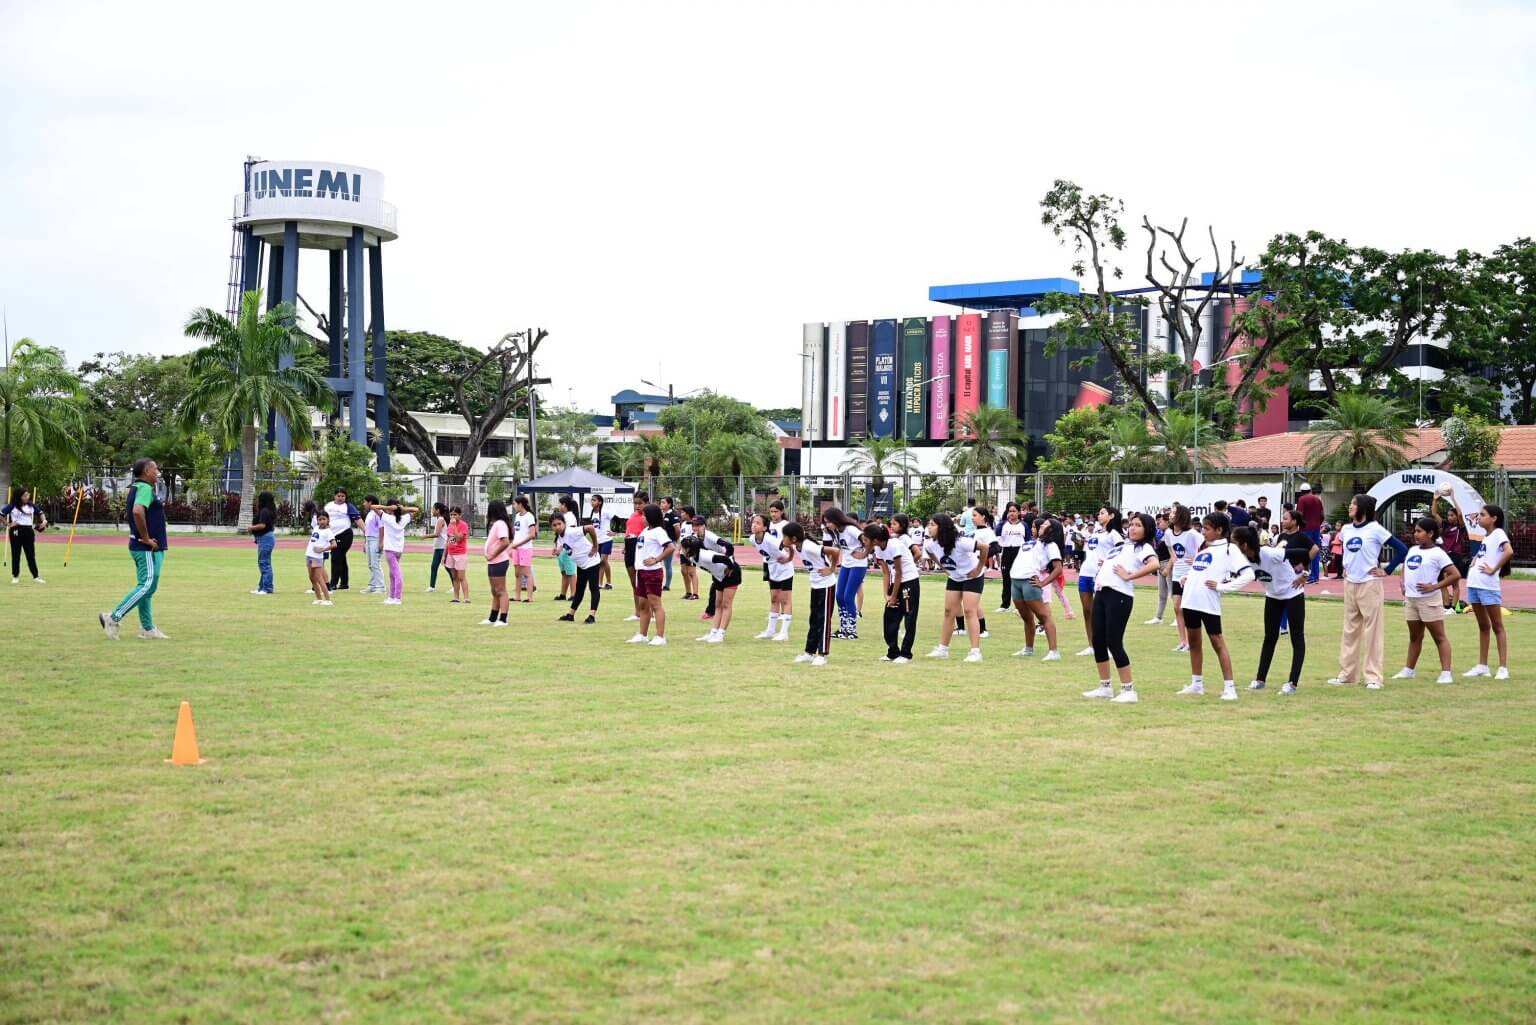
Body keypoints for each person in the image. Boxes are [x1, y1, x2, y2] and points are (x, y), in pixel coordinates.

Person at [1327, 494, 1409, 689]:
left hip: (1370, 584)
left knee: (1372, 631)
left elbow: (1402, 549)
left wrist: (1387, 570)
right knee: (1350, 630)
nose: (1350, 506)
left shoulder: (1375, 529)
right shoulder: (1346, 530)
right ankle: (1348, 675)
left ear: (1363, 507)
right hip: (1350, 584)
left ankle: (1373, 677)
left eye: (1354, 504)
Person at [1082, 511, 1161, 703]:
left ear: (1147, 530)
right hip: (1102, 592)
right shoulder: (1122, 546)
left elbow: (1154, 564)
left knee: (1113, 642)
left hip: (1119, 596)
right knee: (1098, 640)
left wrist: (1129, 576)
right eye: (1132, 524)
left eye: (1138, 525)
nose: (1133, 528)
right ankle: (1105, 686)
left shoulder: (1143, 548)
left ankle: (1128, 690)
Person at [1175, 511, 1254, 701]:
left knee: (1217, 643)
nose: (1203, 531)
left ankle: (1229, 687)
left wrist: (1222, 587)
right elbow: (1201, 570)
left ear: (1219, 530)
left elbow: (1248, 575)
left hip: (1208, 604)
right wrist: (1189, 578)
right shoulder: (1204, 549)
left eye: (1207, 528)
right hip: (1191, 601)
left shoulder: (1229, 549)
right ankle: (1196, 684)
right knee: (1193, 642)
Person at [1234, 524, 1315, 695]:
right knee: (1269, 637)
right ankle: (1260, 680)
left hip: (1293, 595)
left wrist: (1305, 575)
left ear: (1245, 545)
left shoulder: (1270, 554)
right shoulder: (1243, 560)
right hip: (1272, 597)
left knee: (1297, 638)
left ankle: (1292, 683)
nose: (1232, 546)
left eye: (1235, 543)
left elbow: (1303, 552)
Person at [99, 457, 171, 640]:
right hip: (146, 547)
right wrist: (146, 538)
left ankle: (148, 628)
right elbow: (138, 511)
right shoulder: (145, 488)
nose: (158, 472)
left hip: (146, 546)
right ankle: (113, 617)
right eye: (155, 469)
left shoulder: (137, 488)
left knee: (148, 588)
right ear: (147, 471)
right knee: (146, 585)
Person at [1392, 516, 1458, 685]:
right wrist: (1402, 580)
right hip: (1411, 600)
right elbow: (1406, 566)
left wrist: (1434, 587)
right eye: (1415, 531)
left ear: (1431, 533)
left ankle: (1446, 673)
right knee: (1415, 636)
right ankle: (1409, 670)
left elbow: (1455, 574)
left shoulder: (1438, 553)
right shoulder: (1413, 550)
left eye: (1419, 531)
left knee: (1439, 637)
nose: (1416, 534)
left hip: (1429, 600)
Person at [923, 513, 986, 662]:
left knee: (970, 611)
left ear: (942, 527)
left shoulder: (961, 542)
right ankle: (943, 649)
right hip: (955, 577)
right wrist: (943, 567)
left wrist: (978, 569)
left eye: (932, 524)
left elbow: (985, 547)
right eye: (928, 524)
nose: (929, 528)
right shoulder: (930, 544)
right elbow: (930, 553)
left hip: (972, 577)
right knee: (948, 612)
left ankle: (975, 652)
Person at [1463, 504, 1512, 679]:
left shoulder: (1498, 533)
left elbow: (1508, 551)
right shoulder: (1487, 536)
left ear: (1494, 518)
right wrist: (1475, 560)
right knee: (1483, 626)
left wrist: (1493, 569)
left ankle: (1503, 668)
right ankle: (1482, 666)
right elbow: (1484, 554)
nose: (1480, 518)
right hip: (1474, 585)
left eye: (1483, 515)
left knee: (1497, 626)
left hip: (1488, 586)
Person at [783, 520, 839, 666]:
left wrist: (832, 569)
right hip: (816, 586)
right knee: (814, 619)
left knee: (824, 620)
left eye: (785, 537)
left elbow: (835, 551)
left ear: (794, 539)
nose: (783, 540)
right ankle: (809, 652)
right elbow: (786, 547)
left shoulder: (809, 547)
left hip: (826, 585)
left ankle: (822, 654)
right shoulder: (799, 546)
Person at [1075, 505, 1124, 657]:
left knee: (1101, 613)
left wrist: (1109, 563)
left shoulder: (1114, 533)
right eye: (1099, 513)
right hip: (1085, 573)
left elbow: (1122, 550)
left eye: (1103, 513)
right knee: (1087, 612)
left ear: (1112, 516)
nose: (1099, 515)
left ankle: (1107, 646)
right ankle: (1091, 645)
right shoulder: (1096, 531)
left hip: (1100, 576)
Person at [1011, 514, 1062, 661]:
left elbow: (1058, 569)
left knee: (1044, 616)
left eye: (1045, 525)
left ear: (1051, 530)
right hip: (1016, 581)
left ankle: (1054, 651)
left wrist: (1043, 583)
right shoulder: (1031, 542)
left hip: (1029, 581)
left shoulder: (1051, 545)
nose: (1041, 527)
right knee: (1026, 617)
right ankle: (1028, 649)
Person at [867, 520, 919, 663]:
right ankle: (893, 652)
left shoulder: (894, 545)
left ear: (876, 540)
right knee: (889, 617)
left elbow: (899, 573)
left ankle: (906, 653)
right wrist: (887, 595)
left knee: (909, 617)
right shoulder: (878, 549)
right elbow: (886, 573)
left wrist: (894, 596)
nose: (864, 542)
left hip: (908, 581)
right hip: (895, 583)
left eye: (866, 539)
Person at [627, 503, 675, 646]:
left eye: (645, 516)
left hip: (652, 572)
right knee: (643, 604)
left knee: (655, 604)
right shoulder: (646, 531)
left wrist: (656, 559)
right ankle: (642, 634)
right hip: (641, 571)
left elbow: (670, 547)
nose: (642, 518)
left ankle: (660, 636)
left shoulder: (659, 531)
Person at [686, 535, 741, 643]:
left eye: (683, 548)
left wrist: (730, 568)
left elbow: (725, 559)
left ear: (690, 548)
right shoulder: (693, 557)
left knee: (726, 604)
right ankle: (714, 632)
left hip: (731, 575)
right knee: (717, 604)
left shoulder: (705, 555)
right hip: (718, 577)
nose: (681, 550)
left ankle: (721, 634)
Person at [824, 507, 868, 640]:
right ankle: (844, 628)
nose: (828, 525)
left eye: (829, 521)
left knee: (849, 596)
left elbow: (866, 540)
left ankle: (852, 630)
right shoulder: (837, 532)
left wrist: (864, 553)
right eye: (826, 522)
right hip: (846, 564)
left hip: (858, 565)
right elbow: (837, 549)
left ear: (836, 519)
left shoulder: (851, 529)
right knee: (839, 596)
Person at [749, 513, 795, 641]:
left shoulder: (771, 540)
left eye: (758, 523)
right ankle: (770, 630)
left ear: (764, 528)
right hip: (773, 569)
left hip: (785, 570)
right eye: (753, 522)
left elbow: (789, 546)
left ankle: (784, 632)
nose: (754, 525)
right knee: (774, 599)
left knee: (786, 600)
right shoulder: (753, 539)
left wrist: (789, 559)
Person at [552, 511, 602, 624]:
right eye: (554, 525)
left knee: (593, 588)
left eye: (559, 524)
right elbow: (564, 545)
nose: (557, 527)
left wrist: (595, 546)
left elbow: (590, 528)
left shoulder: (571, 531)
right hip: (581, 564)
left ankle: (591, 615)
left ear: (564, 523)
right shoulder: (560, 536)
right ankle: (570, 614)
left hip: (591, 561)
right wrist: (558, 550)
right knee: (579, 589)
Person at [1162, 503, 1199, 654]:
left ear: (1181, 516)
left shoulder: (1192, 534)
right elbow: (1173, 553)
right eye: (1170, 512)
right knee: (1177, 608)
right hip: (1177, 575)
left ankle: (1191, 642)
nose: (1170, 515)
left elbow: (1207, 548)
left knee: (1187, 609)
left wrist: (1197, 560)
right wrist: (1170, 567)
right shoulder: (1168, 534)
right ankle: (1182, 642)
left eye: (1173, 512)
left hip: (1191, 575)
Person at [370, 498, 419, 605]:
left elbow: (373, 507)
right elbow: (416, 510)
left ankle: (397, 598)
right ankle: (391, 597)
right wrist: (403, 509)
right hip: (398, 550)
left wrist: (387, 508)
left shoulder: (387, 518)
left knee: (396, 573)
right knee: (392, 574)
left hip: (390, 549)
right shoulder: (404, 518)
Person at [1429, 488, 1470, 613]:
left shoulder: (1460, 527)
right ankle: (1446, 607)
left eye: (1452, 515)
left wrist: (1452, 498)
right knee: (1442, 582)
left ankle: (1454, 607)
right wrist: (1435, 500)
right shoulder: (1445, 525)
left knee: (1455, 584)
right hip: (1445, 556)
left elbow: (1460, 514)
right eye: (1448, 515)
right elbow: (1434, 514)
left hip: (1456, 556)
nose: (1449, 517)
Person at [961, 506, 997, 639]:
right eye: (972, 515)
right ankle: (968, 628)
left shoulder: (987, 532)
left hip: (977, 569)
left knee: (973, 603)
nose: (972, 518)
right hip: (967, 568)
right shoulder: (974, 531)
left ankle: (983, 629)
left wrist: (979, 557)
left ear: (983, 517)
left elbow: (996, 548)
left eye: (975, 515)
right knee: (971, 602)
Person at [3, 487, 47, 584]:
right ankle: (15, 576)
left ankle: (36, 576)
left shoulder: (31, 506)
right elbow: (1, 514)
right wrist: (8, 524)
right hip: (16, 531)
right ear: (19, 497)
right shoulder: (12, 506)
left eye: (28, 495)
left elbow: (40, 513)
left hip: (28, 531)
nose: (27, 497)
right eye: (25, 495)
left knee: (31, 555)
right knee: (16, 554)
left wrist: (44, 520)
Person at [481, 499, 512, 626]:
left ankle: (503, 619)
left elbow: (505, 542)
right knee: (494, 591)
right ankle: (492, 617)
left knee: (501, 590)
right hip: (493, 562)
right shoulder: (497, 524)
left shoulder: (500, 524)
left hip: (499, 561)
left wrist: (492, 554)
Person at [324, 488, 360, 591]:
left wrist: (367, 532)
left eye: (342, 496)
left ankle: (333, 583)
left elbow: (357, 519)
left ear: (345, 497)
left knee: (336, 557)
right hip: (332, 535)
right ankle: (344, 583)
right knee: (341, 559)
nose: (340, 498)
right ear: (335, 496)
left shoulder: (348, 506)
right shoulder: (329, 506)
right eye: (338, 496)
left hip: (344, 535)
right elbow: (322, 517)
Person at [623, 491, 649, 619]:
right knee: (634, 584)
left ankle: (649, 612)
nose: (637, 506)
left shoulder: (648, 517)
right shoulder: (633, 515)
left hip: (641, 548)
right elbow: (628, 531)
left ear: (646, 503)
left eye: (640, 503)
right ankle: (637, 612)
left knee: (643, 583)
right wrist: (625, 545)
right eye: (635, 503)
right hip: (629, 547)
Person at [508, 494, 538, 604]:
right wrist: (513, 545)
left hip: (525, 548)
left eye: (515, 504)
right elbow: (516, 533)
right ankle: (517, 596)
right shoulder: (517, 516)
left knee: (527, 573)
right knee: (517, 573)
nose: (514, 506)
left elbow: (532, 534)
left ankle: (530, 597)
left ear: (520, 504)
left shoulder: (529, 516)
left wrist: (518, 544)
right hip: (516, 548)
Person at [997, 502, 1026, 613]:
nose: (1012, 513)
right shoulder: (1003, 524)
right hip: (1007, 552)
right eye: (1010, 511)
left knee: (1019, 579)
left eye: (1014, 511)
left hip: (1019, 552)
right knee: (1006, 579)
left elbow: (1027, 541)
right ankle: (1005, 605)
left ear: (1019, 512)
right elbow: (997, 532)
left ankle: (1020, 606)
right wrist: (1004, 520)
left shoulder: (1024, 525)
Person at [248, 490, 278, 595]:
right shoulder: (267, 510)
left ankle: (267, 588)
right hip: (265, 538)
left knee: (264, 563)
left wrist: (251, 528)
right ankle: (262, 587)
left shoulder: (264, 511)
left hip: (266, 538)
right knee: (263, 562)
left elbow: (262, 525)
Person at [305, 508, 336, 605]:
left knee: (319, 578)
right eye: (320, 519)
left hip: (317, 557)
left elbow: (334, 544)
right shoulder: (316, 528)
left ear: (328, 520)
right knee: (312, 578)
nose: (322, 521)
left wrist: (322, 550)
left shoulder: (328, 532)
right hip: (309, 555)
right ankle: (318, 598)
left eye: (324, 519)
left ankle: (327, 599)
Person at [1296, 482, 1326, 583]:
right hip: (1316, 529)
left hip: (1305, 529)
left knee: (1306, 552)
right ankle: (1316, 577)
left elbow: (1299, 515)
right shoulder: (1317, 500)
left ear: (1301, 492)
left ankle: (1308, 576)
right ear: (1310, 490)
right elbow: (1322, 515)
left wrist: (1299, 526)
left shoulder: (1302, 499)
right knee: (1316, 551)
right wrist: (1318, 523)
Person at [1145, 511, 1171, 625]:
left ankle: (1178, 618)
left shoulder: (1170, 534)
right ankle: (1159, 617)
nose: (1159, 523)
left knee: (1173, 593)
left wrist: (1168, 568)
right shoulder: (1164, 533)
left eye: (1161, 521)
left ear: (1167, 522)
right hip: (1161, 564)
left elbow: (1173, 554)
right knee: (1162, 593)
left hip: (1168, 565)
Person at [444, 506, 471, 603]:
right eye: (451, 514)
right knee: (454, 577)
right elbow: (448, 540)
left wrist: (455, 526)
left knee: (461, 577)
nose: (452, 516)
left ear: (460, 515)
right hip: (451, 554)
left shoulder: (463, 525)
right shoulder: (449, 525)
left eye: (455, 514)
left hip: (460, 554)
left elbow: (459, 539)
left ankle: (466, 598)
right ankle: (456, 597)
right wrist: (444, 554)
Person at [590, 494, 614, 590]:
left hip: (606, 539)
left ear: (600, 502)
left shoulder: (605, 512)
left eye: (594, 500)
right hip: (597, 541)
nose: (592, 502)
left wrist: (614, 532)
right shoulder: (591, 513)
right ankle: (607, 583)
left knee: (603, 561)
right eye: (591, 500)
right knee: (602, 562)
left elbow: (617, 520)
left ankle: (601, 583)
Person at [362, 494, 386, 593]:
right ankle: (372, 585)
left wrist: (381, 542)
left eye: (365, 502)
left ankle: (381, 586)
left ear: (370, 502)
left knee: (375, 564)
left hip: (376, 540)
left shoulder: (378, 513)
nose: (363, 504)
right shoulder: (370, 513)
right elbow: (368, 529)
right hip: (369, 540)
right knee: (371, 564)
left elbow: (382, 528)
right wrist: (365, 542)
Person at [426, 502, 449, 593]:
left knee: (447, 567)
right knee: (434, 566)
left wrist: (425, 536)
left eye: (433, 509)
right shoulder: (439, 519)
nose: (432, 510)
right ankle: (432, 587)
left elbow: (437, 534)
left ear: (438, 510)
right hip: (439, 546)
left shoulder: (440, 519)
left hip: (442, 546)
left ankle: (455, 585)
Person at [660, 496, 681, 592]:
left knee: (667, 564)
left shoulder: (673, 515)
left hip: (669, 543)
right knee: (656, 563)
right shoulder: (660, 514)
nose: (661, 504)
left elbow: (677, 530)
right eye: (661, 502)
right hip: (659, 543)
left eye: (664, 502)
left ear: (669, 504)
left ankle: (667, 585)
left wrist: (675, 541)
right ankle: (657, 583)